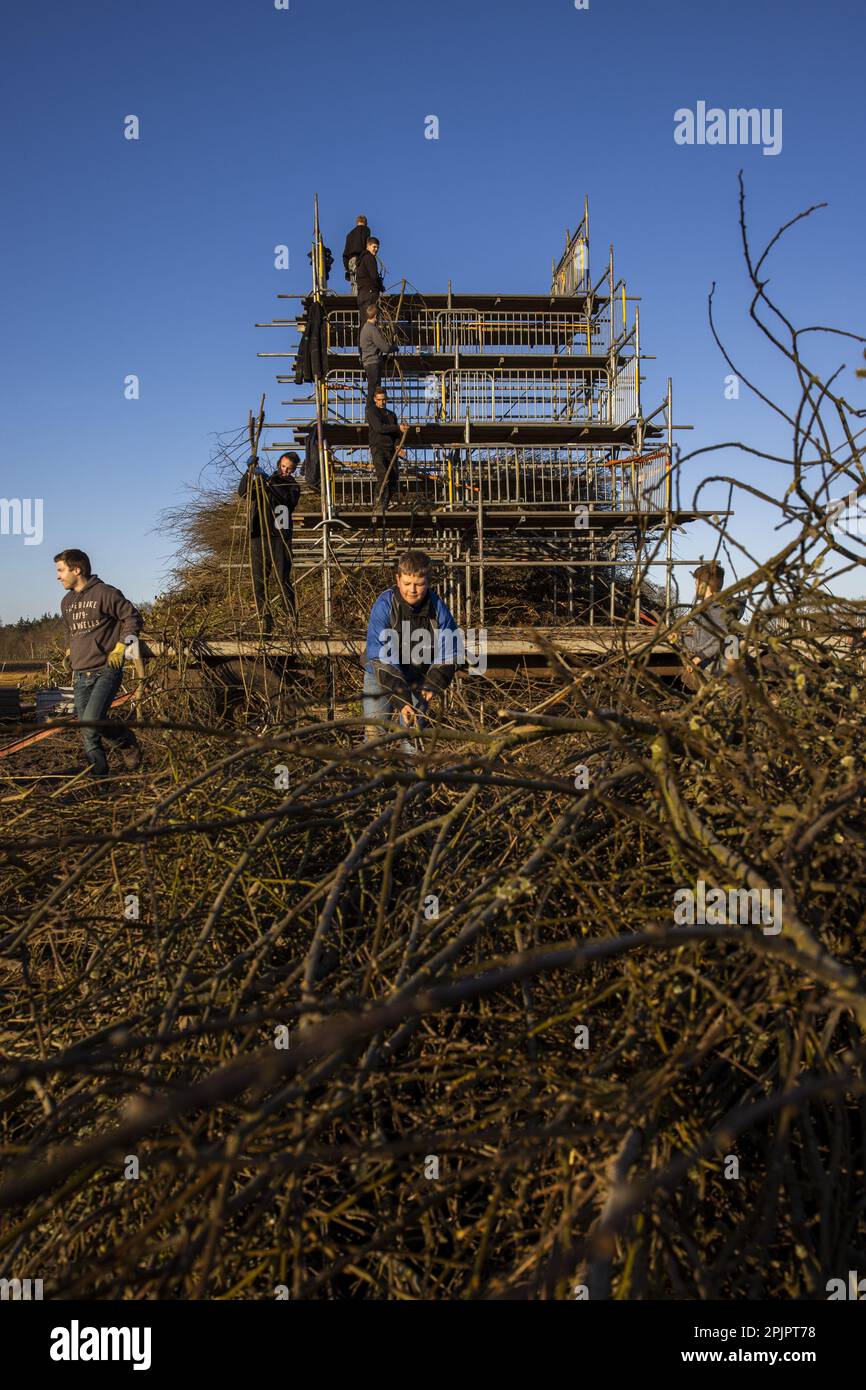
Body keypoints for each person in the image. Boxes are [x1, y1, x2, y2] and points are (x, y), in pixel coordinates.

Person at [55, 549, 142, 779]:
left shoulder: (105, 593)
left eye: (61, 570)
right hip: (80, 674)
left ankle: (126, 741)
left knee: (91, 721)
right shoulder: (67, 602)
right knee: (87, 730)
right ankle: (99, 779)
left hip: (106, 669)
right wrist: (69, 651)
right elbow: (69, 631)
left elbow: (132, 617)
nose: (58, 576)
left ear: (77, 569)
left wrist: (123, 645)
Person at [363, 549, 458, 748]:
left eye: (419, 584)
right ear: (398, 580)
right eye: (407, 583)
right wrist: (401, 700)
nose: (412, 590)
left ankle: (412, 778)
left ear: (429, 583)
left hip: (419, 677)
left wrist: (434, 682)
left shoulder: (438, 608)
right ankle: (374, 776)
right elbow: (382, 658)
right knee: (374, 734)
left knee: (412, 737)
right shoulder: (384, 605)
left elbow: (449, 650)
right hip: (380, 674)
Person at [237, 454, 300, 626]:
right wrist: (249, 472)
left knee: (282, 579)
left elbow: (285, 500)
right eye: (283, 466)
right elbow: (243, 493)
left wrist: (267, 481)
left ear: (294, 470)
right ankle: (265, 620)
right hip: (258, 536)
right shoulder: (265, 480)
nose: (284, 470)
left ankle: (291, 620)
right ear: (279, 463)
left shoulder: (292, 486)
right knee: (258, 582)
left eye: (289, 469)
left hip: (279, 538)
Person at [675, 560, 745, 689]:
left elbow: (723, 637)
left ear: (705, 585)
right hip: (718, 673)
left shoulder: (717, 608)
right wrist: (679, 639)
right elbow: (702, 642)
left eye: (696, 583)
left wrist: (698, 658)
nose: (695, 587)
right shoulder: (707, 608)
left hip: (724, 676)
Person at [366, 385, 407, 508]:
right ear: (374, 399)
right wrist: (397, 427)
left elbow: (395, 434)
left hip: (390, 450)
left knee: (394, 479)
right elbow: (379, 428)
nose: (382, 402)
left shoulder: (391, 415)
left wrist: (398, 445)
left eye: (383, 399)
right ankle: (378, 503)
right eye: (379, 399)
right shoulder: (372, 412)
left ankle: (385, 504)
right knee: (383, 476)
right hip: (378, 448)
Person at [359, 303, 395, 397]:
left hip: (367, 362)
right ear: (375, 316)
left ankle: (372, 409)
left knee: (372, 389)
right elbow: (385, 348)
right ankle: (372, 409)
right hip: (373, 363)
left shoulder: (364, 328)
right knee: (374, 390)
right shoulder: (372, 329)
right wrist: (393, 348)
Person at [355, 236, 384, 322]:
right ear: (368, 246)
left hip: (362, 294)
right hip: (369, 294)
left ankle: (363, 336)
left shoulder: (361, 259)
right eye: (374, 246)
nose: (376, 249)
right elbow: (374, 276)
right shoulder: (370, 258)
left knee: (364, 323)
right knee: (370, 322)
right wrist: (380, 286)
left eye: (377, 247)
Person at [343, 215, 373, 287]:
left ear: (357, 222)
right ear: (366, 222)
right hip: (362, 258)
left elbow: (345, 253)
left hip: (351, 261)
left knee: (354, 282)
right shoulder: (366, 230)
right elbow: (368, 246)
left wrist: (347, 268)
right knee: (363, 281)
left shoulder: (349, 234)